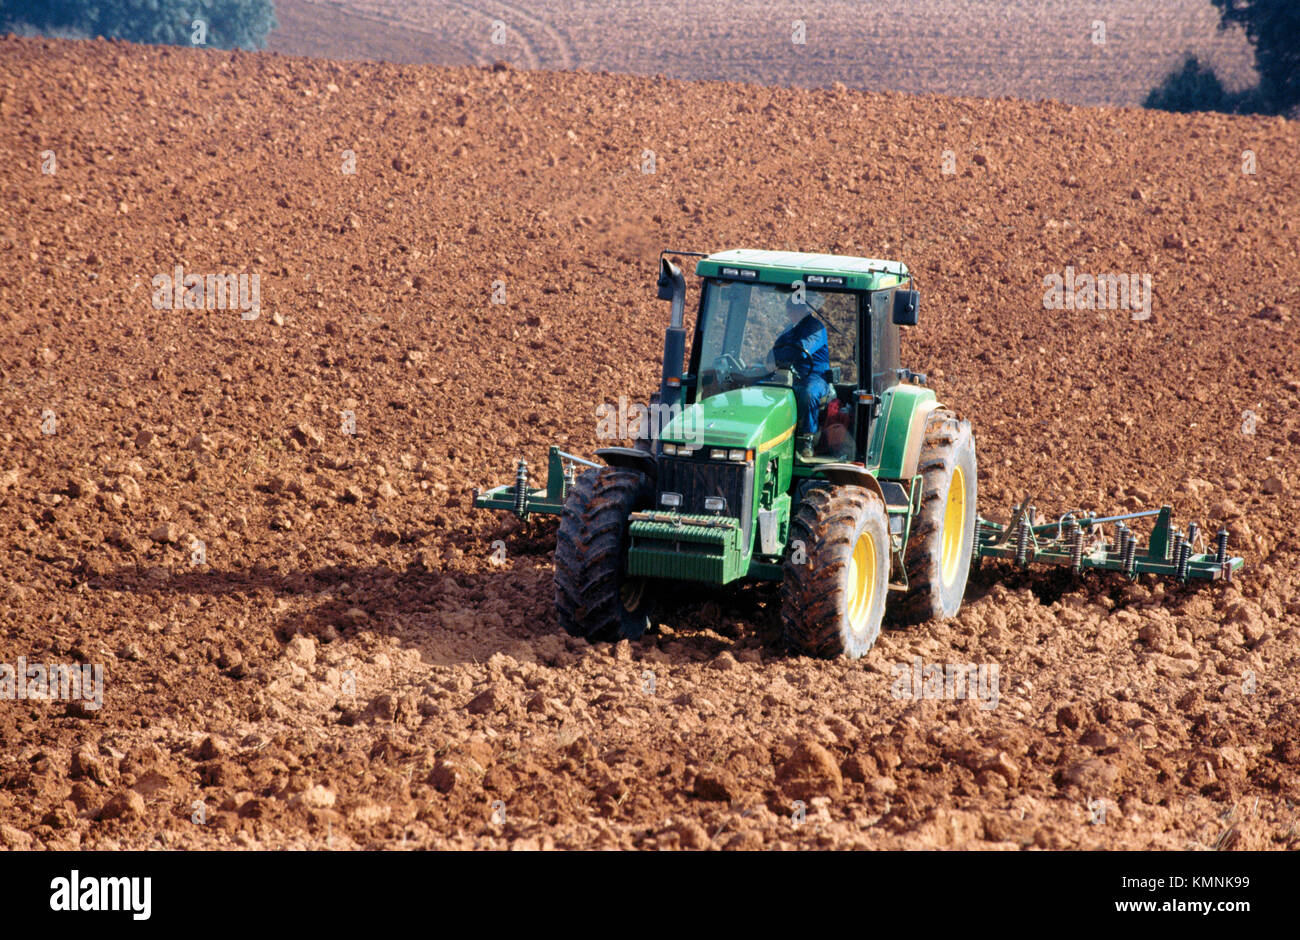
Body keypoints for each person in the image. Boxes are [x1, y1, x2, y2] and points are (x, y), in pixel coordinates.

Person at [772, 294, 834, 459]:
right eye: (789, 310)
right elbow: (776, 349)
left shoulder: (816, 328)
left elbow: (802, 351)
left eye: (793, 310)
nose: (790, 313)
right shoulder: (791, 329)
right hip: (793, 373)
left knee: (809, 393)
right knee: (765, 387)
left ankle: (808, 439)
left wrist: (783, 355)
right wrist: (774, 357)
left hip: (815, 376)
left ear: (802, 309)